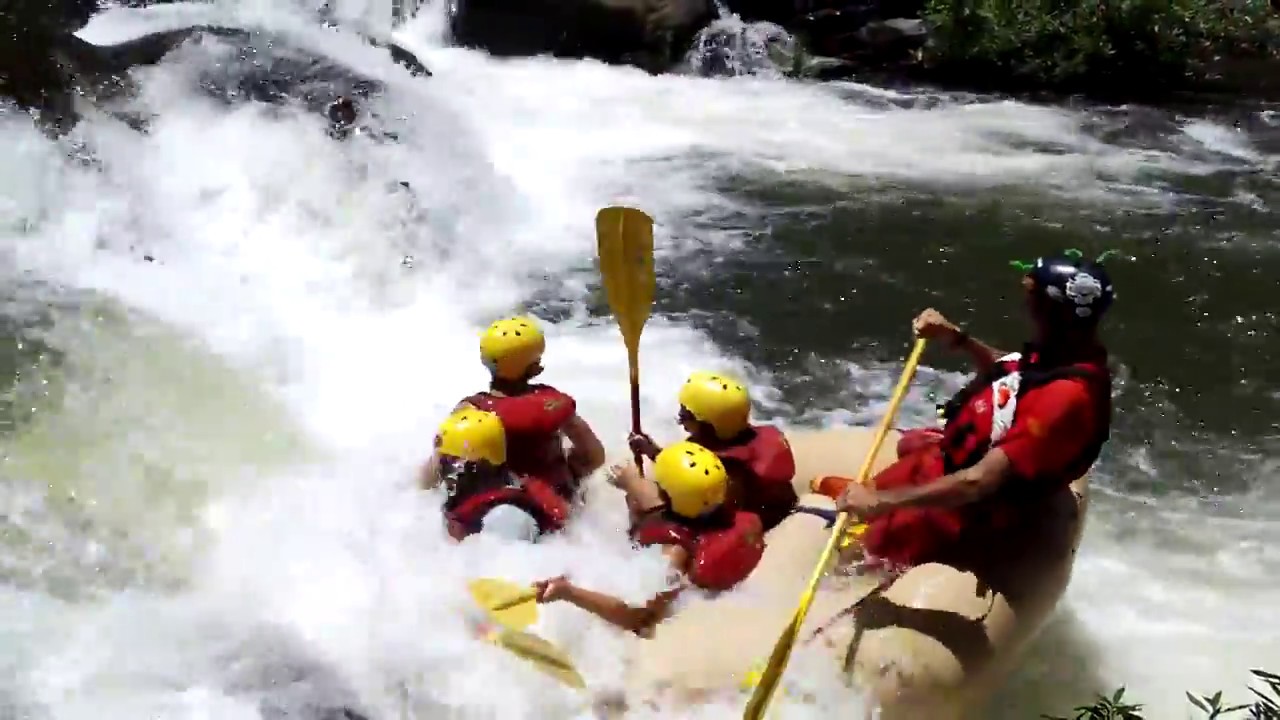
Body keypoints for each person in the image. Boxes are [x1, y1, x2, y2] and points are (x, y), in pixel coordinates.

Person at [817, 251, 1115, 571]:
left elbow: (980, 482)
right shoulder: (1065, 351)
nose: (1025, 304)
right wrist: (958, 339)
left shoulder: (1064, 399)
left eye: (1031, 295)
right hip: (943, 464)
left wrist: (879, 505)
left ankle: (866, 540)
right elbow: (1012, 373)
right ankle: (860, 504)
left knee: (850, 556)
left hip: (965, 510)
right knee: (881, 478)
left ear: (1050, 310)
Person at [531, 442, 765, 636]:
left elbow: (636, 617)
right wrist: (632, 481)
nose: (652, 483)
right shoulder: (711, 508)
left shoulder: (671, 554)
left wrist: (568, 592)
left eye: (658, 483)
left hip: (672, 618)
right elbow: (661, 503)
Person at [448, 315, 605, 536]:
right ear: (534, 369)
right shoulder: (554, 404)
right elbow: (594, 456)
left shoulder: (468, 411)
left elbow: (439, 465)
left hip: (482, 509)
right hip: (546, 510)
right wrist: (572, 473)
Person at [628, 371, 798, 530]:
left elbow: (710, 512)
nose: (680, 417)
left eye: (686, 414)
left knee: (638, 507)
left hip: (748, 523)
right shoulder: (737, 438)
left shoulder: (731, 470)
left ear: (709, 426)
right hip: (752, 506)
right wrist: (653, 452)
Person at [423, 407, 545, 542]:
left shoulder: (506, 518)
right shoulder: (456, 501)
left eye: (447, 460)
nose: (440, 470)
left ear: (475, 466)